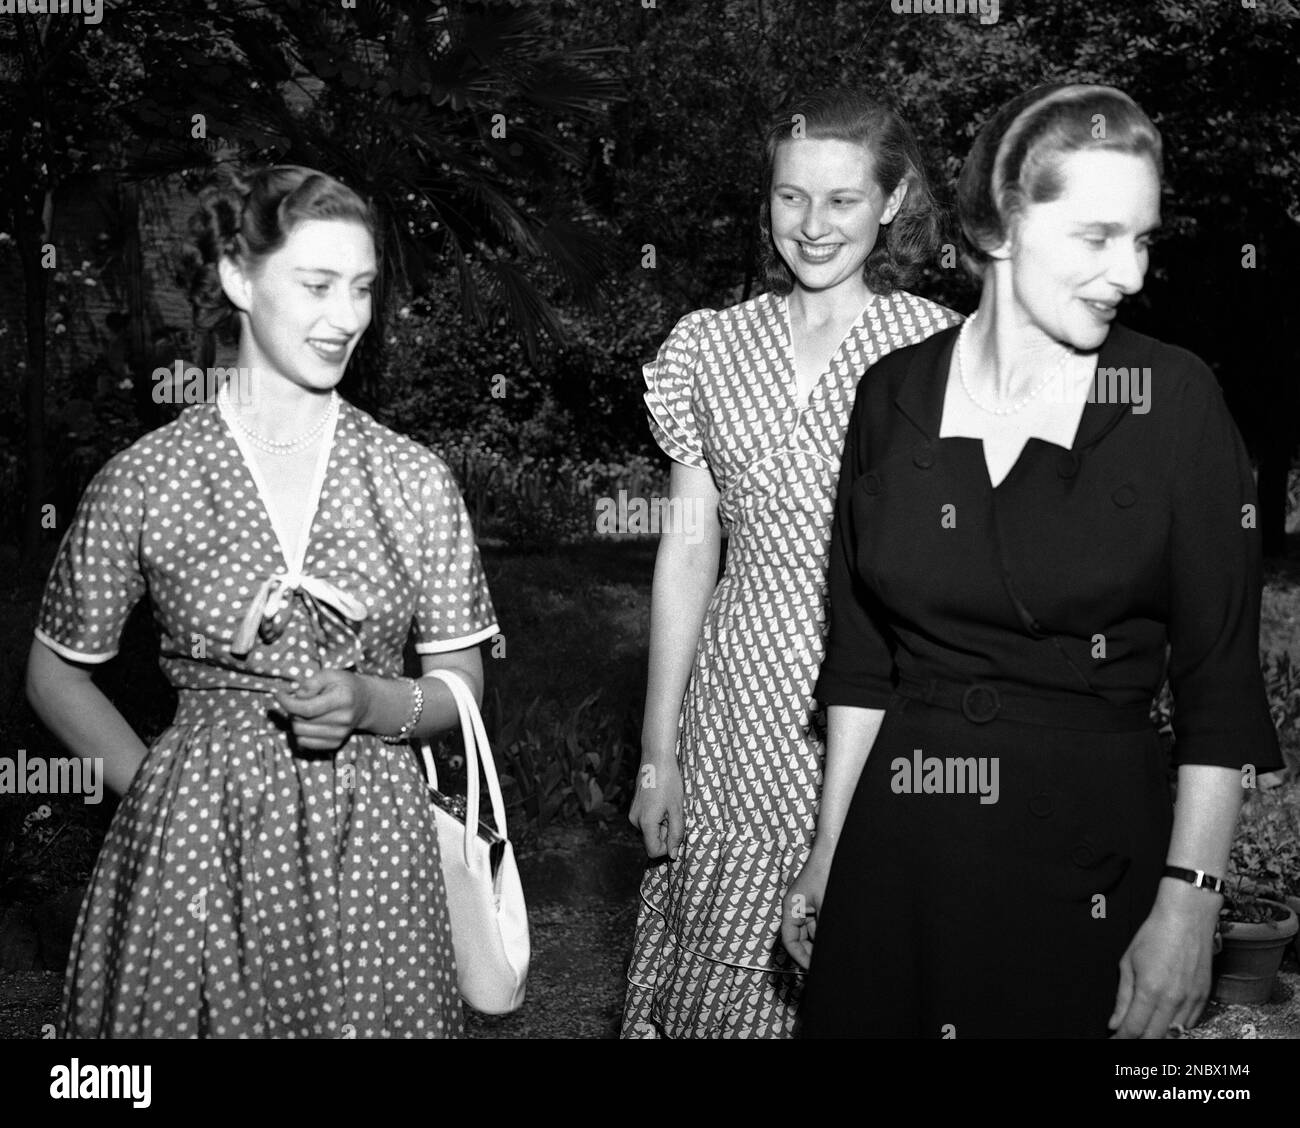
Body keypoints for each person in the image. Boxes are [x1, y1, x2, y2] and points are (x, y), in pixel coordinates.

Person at [781, 83, 1283, 1038]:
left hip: (1091, 859)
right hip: (904, 847)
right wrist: (830, 854)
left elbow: (1220, 689)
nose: (1129, 273)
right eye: (1098, 237)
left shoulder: (1172, 402)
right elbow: (859, 669)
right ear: (1003, 223)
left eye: (1143, 240)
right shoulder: (892, 395)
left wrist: (1191, 903)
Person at [25, 165, 500, 1038]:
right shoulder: (148, 478)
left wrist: (372, 703)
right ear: (241, 279)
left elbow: (461, 686)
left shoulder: (411, 478)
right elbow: (55, 675)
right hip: (196, 854)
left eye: (362, 288)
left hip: (376, 851)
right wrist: (158, 789)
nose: (347, 316)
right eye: (317, 285)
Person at [622, 91, 960, 1039]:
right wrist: (657, 751)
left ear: (892, 203)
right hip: (730, 708)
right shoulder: (707, 345)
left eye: (843, 201)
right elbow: (689, 550)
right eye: (789, 197)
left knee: (861, 964)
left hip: (883, 698)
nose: (812, 227)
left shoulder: (937, 349)